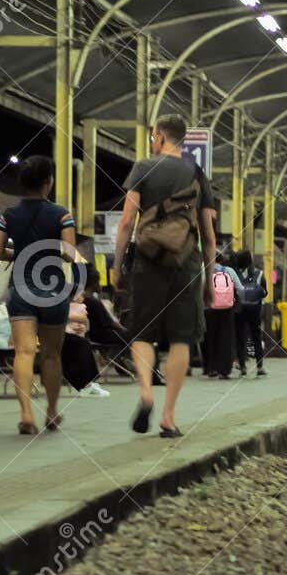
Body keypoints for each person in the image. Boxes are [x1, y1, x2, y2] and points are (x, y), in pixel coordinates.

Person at [112, 113, 216, 438]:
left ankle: (146, 393)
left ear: (158, 135)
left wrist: (117, 266)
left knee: (142, 333)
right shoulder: (198, 174)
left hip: (147, 261)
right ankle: (168, 417)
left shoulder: (144, 167)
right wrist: (210, 278)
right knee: (182, 339)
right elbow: (208, 234)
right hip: (185, 262)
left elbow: (127, 222)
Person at [0, 155, 77, 435]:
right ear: (48, 182)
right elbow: (69, 253)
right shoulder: (62, 214)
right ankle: (51, 412)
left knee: (24, 353)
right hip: (53, 293)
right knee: (51, 355)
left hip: (22, 290)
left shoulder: (9, 215)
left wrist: (21, 253)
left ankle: (26, 414)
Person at [203, 251, 241, 378]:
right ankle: (225, 370)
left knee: (211, 338)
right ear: (221, 259)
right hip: (227, 309)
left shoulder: (204, 271)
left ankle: (212, 368)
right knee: (226, 338)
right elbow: (240, 288)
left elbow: (198, 288)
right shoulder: (229, 271)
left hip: (209, 309)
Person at [234, 249, 268, 375]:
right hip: (255, 310)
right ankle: (260, 367)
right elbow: (264, 292)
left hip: (239, 309)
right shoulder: (259, 273)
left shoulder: (234, 273)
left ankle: (242, 366)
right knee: (256, 337)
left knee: (240, 337)